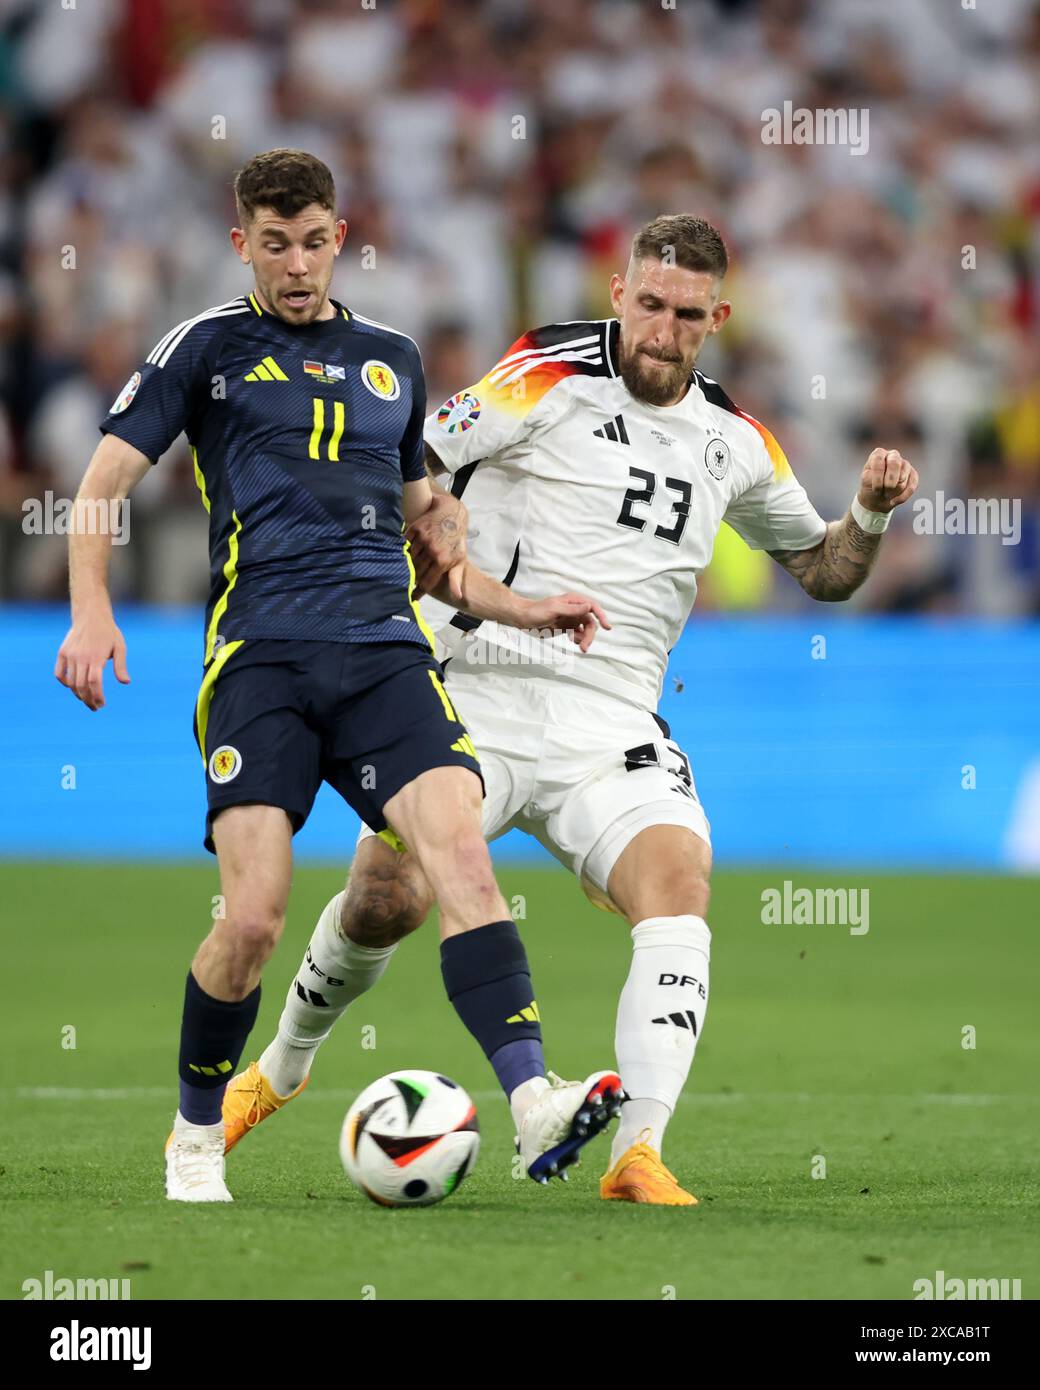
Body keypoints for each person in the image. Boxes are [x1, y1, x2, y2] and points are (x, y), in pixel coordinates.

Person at [227, 212, 919, 1206]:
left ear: (715, 317)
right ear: (617, 296)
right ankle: (280, 1069)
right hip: (477, 688)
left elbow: (820, 571)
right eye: (646, 304)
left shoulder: (733, 442)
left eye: (685, 314)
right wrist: (433, 528)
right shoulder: (539, 375)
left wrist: (866, 515)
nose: (660, 328)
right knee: (387, 899)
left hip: (613, 722)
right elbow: (404, 457)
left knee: (676, 882)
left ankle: (635, 1151)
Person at [54, 148, 622, 1204]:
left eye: (314, 241)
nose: (298, 264)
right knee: (256, 918)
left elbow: (428, 540)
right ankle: (193, 1133)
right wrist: (93, 608)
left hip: (384, 657)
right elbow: (101, 483)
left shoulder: (391, 359)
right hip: (260, 659)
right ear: (243, 245)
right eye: (274, 244)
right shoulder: (206, 347)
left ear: (340, 236)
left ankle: (533, 1094)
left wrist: (518, 602)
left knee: (459, 858)